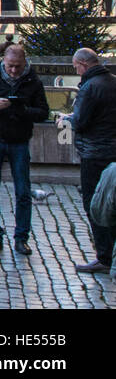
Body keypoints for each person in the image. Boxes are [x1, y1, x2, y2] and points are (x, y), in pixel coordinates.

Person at [0, 43, 48, 255]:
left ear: (25, 63)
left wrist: (23, 110)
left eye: (18, 66)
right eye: (10, 66)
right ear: (4, 61)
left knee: (23, 192)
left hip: (19, 140)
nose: (14, 70)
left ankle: (21, 238)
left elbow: (43, 112)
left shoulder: (33, 80)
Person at [61, 48, 116, 273]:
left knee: (95, 204)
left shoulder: (90, 87)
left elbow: (82, 121)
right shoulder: (113, 81)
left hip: (94, 154)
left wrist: (66, 120)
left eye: (75, 67)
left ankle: (104, 257)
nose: (76, 71)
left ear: (82, 65)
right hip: (113, 152)